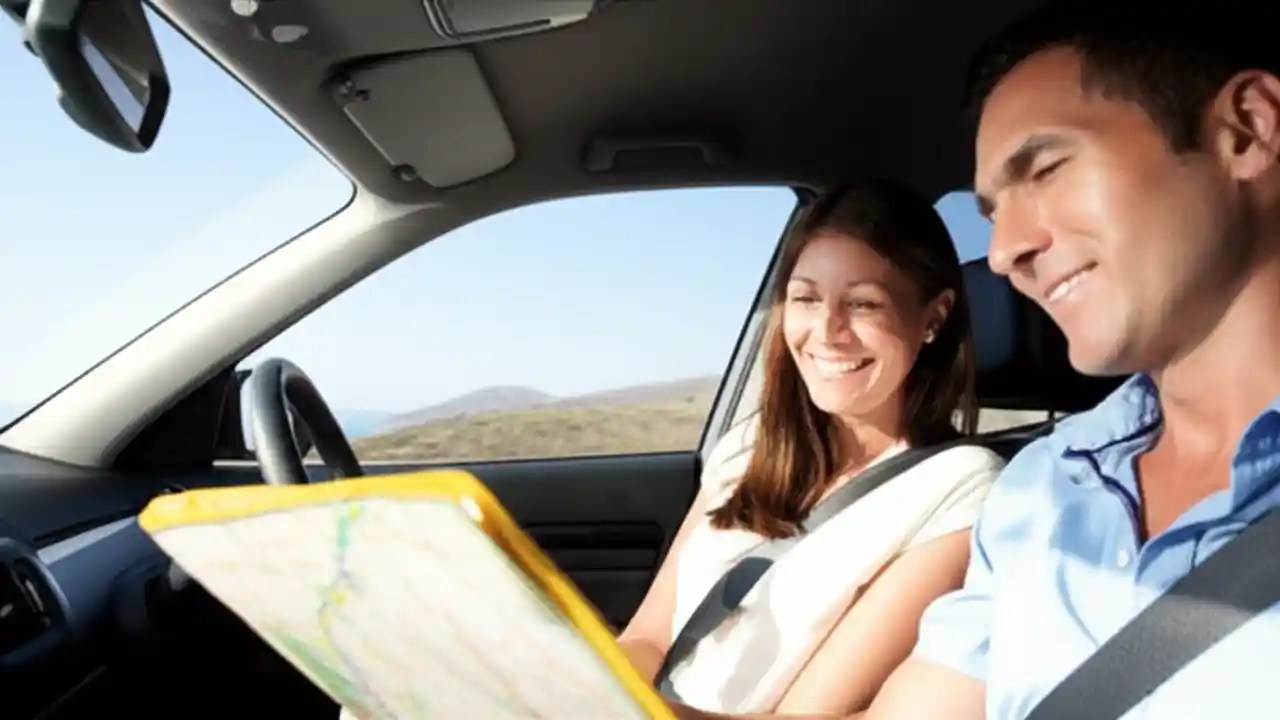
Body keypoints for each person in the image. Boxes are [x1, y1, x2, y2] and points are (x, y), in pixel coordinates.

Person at [671, 2, 1280, 719]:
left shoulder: (977, 489)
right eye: (991, 213)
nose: (1002, 253)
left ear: (1246, 128)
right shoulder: (1045, 490)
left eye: (1048, 169)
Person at [619, 179, 1006, 717]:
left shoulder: (962, 489)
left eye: (863, 303)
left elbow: (808, 716)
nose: (826, 331)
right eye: (805, 298)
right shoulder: (748, 448)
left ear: (933, 319)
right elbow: (646, 639)